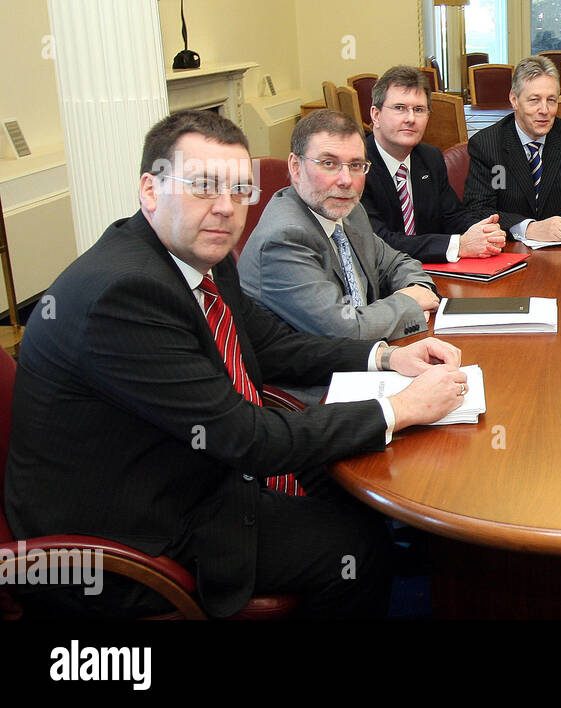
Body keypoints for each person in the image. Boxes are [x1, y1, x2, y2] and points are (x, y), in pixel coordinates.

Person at [4, 110, 471, 618]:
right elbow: (245, 439)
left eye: (239, 190)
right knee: (356, 548)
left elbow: (273, 345)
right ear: (150, 189)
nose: (226, 208)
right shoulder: (124, 294)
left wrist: (386, 356)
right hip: (128, 526)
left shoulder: (198, 256)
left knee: (346, 486)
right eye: (204, 186)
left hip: (185, 459)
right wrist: (400, 410)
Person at [239, 109, 440, 342]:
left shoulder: (350, 211)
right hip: (313, 374)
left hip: (363, 357)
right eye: (328, 163)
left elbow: (397, 263)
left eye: (356, 166)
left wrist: (418, 287)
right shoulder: (284, 238)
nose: (346, 180)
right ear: (295, 167)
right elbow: (346, 331)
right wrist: (410, 303)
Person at [360, 65, 507, 264]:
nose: (410, 118)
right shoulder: (357, 166)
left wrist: (482, 231)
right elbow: (378, 241)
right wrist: (458, 245)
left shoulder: (430, 157)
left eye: (419, 110)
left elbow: (452, 216)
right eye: (399, 108)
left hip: (434, 272)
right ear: (376, 115)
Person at [462, 55, 561, 242]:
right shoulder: (488, 145)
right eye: (534, 100)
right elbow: (478, 211)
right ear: (514, 100)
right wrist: (529, 228)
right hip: (509, 251)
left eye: (551, 100)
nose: (544, 110)